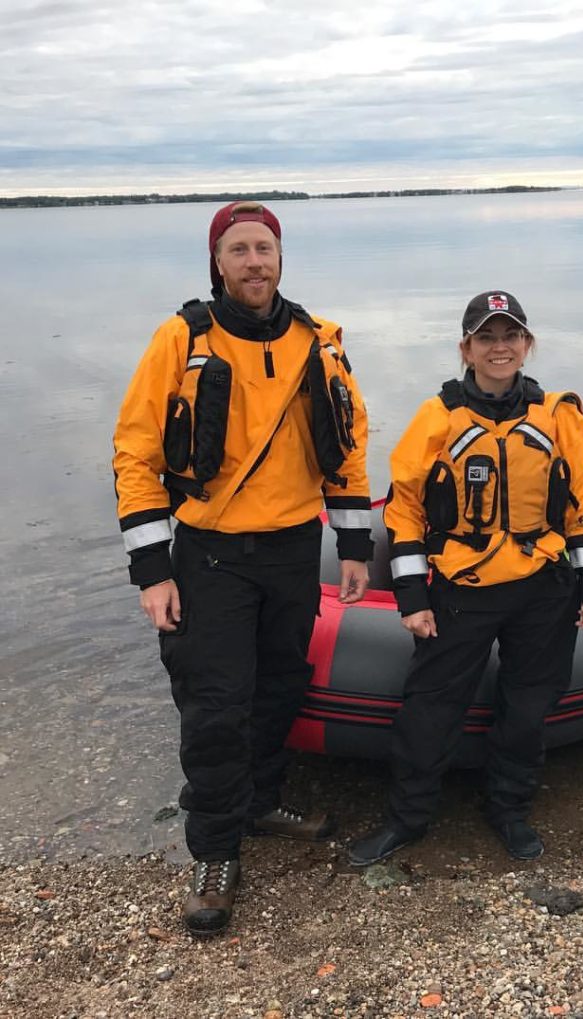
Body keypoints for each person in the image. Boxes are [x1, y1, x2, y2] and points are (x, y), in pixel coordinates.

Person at [112, 200, 373, 936]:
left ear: (280, 258)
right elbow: (135, 453)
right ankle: (216, 854)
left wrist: (353, 546)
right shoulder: (181, 338)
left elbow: (348, 446)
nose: (255, 262)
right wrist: (152, 571)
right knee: (215, 706)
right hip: (212, 555)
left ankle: (260, 800)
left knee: (281, 684)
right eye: (239, 250)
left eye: (265, 248)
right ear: (217, 262)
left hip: (294, 550)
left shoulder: (319, 341)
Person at [348, 291, 583, 866]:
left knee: (528, 706)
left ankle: (509, 810)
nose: (500, 347)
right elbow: (405, 511)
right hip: (460, 591)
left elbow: (582, 508)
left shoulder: (556, 417)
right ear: (466, 348)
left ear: (527, 345)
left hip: (541, 588)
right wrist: (413, 597)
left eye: (510, 336)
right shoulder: (438, 419)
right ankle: (407, 818)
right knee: (430, 708)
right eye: (487, 337)